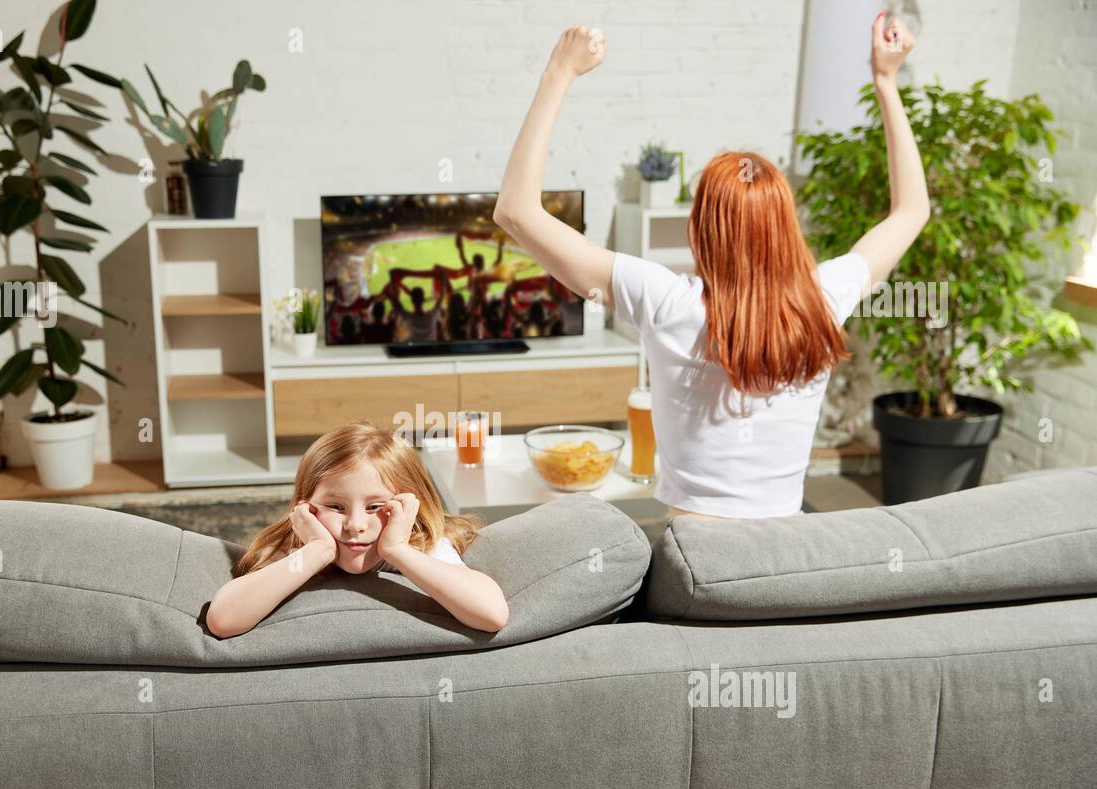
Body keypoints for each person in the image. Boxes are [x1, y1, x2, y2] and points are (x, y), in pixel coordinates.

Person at [494, 16, 929, 520]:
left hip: (693, 570)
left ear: (699, 228)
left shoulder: (665, 300)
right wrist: (886, 81)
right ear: (786, 225)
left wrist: (559, 72)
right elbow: (911, 210)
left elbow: (515, 211)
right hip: (790, 560)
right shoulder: (824, 298)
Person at [206, 421, 509, 638]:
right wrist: (318, 550)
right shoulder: (299, 545)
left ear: (409, 506)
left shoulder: (420, 544)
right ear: (305, 506)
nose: (355, 526)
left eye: (376, 507)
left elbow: (492, 614)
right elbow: (222, 620)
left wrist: (397, 550)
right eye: (335, 507)